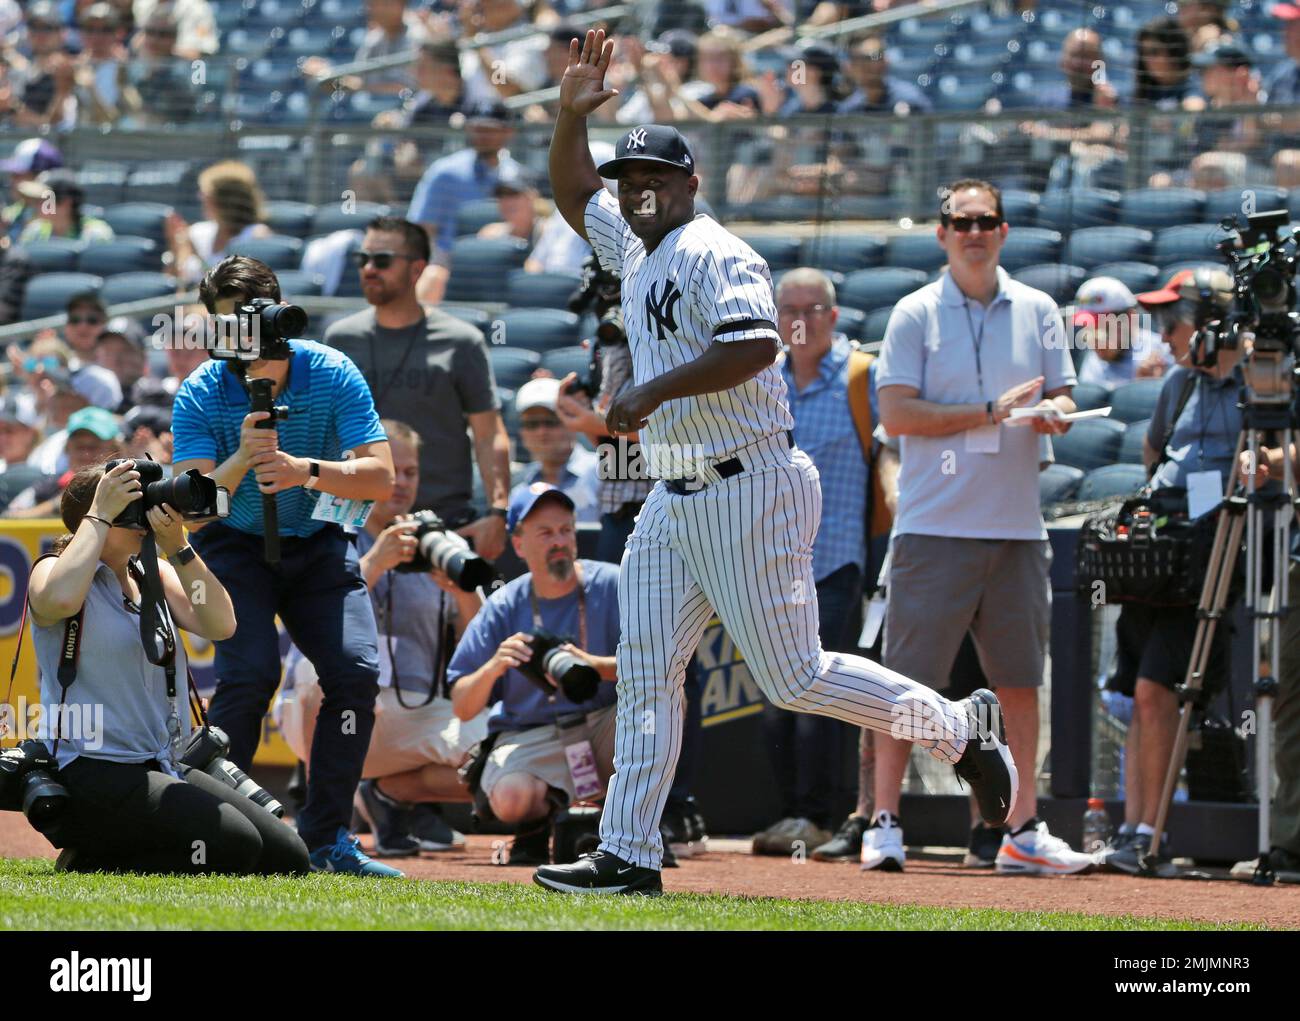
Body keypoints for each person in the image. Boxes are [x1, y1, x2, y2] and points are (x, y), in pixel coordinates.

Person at [533, 31, 1017, 895]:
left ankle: (958, 728)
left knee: (793, 677)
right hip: (675, 494)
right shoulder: (641, 244)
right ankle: (627, 853)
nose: (635, 191)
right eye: (628, 180)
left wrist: (652, 389)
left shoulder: (715, 249)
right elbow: (574, 194)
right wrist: (570, 113)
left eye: (653, 179)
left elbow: (755, 344)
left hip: (745, 480)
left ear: (691, 183)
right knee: (646, 665)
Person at [870, 178, 1095, 876]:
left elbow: (1062, 390)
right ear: (941, 233)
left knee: (1023, 683)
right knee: (907, 684)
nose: (973, 231)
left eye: (986, 220)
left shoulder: (1039, 308)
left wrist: (1055, 411)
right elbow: (898, 416)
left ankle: (1023, 830)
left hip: (1018, 530)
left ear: (1002, 231)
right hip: (933, 526)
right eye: (960, 221)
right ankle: (883, 820)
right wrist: (989, 412)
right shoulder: (913, 312)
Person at [169, 255, 403, 877]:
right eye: (218, 326)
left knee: (354, 674)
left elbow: (382, 477)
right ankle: (222, 833)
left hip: (321, 538)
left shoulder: (332, 370)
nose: (229, 342)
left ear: (275, 320)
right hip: (234, 545)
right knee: (248, 676)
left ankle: (326, 839)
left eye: (241, 324)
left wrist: (307, 470)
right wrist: (245, 456)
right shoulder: (199, 389)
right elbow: (195, 509)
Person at [23, 460, 307, 874]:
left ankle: (110, 848)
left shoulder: (152, 573)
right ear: (94, 514)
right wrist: (101, 512)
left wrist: (179, 546)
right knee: (235, 845)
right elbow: (60, 601)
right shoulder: (51, 569)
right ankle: (94, 855)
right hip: (88, 766)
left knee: (288, 855)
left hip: (162, 761)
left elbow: (221, 624)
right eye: (131, 507)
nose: (143, 517)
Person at [280, 419, 488, 856]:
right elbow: (310, 624)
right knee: (323, 678)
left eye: (411, 472)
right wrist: (374, 562)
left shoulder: (439, 541)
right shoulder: (324, 528)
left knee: (499, 755)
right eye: (394, 470)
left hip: (415, 712)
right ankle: (323, 823)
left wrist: (463, 594)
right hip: (330, 707)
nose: (402, 483)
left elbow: (477, 646)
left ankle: (391, 793)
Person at [750, 267, 898, 856]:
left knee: (819, 697)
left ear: (834, 318)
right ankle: (789, 814)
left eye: (813, 310)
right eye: (789, 309)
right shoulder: (762, 381)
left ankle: (818, 817)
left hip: (836, 564)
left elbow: (890, 458)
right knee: (771, 705)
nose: (800, 320)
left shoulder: (864, 378)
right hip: (767, 570)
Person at [1101, 268, 1241, 875]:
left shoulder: (1263, 382)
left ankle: (1147, 832)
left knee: (1161, 691)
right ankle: (1134, 831)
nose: (1164, 334)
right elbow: (1154, 451)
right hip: (1161, 556)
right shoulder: (1180, 383)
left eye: (1172, 321)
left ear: (1214, 323)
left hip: (1215, 558)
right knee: (1141, 692)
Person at [446, 483, 621, 865]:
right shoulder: (504, 603)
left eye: (566, 530)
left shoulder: (614, 583)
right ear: (520, 544)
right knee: (510, 797)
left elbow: (663, 666)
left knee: (661, 710)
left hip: (606, 724)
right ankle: (545, 822)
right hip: (536, 733)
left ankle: (642, 825)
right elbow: (461, 704)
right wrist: (495, 666)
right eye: (545, 533)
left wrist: (596, 666)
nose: (559, 541)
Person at [325, 216, 512, 560]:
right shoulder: (340, 338)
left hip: (442, 527)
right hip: (356, 526)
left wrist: (498, 514)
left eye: (381, 260)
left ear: (417, 270)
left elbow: (489, 434)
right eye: (362, 260)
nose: (368, 269)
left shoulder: (461, 342)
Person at [406, 100, 523, 303]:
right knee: (433, 278)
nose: (482, 135)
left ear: (508, 132)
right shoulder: (444, 172)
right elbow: (423, 231)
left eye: (490, 129)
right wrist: (445, 265)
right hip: (449, 268)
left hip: (502, 268)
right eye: (477, 128)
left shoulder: (517, 175)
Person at [165, 160, 273, 286]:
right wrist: (174, 248)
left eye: (207, 194)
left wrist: (198, 256)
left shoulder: (255, 236)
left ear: (226, 200)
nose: (201, 197)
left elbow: (234, 288)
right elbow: (173, 282)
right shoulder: (197, 232)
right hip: (187, 305)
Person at [510, 377, 599, 524]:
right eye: (532, 424)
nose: (541, 432)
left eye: (551, 422)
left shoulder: (603, 472)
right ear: (522, 433)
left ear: (572, 422)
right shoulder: (519, 489)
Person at [1071, 276, 1171, 390]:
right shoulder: (1093, 359)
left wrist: (1150, 388)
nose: (1095, 339)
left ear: (1130, 317)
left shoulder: (1166, 352)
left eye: (1105, 328)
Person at [15, 168, 115, 246]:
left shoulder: (95, 235)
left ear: (66, 203)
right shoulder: (34, 231)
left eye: (42, 200)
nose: (35, 205)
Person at [837, 36, 932, 115]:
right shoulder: (850, 109)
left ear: (886, 61)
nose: (865, 65)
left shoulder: (910, 100)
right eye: (857, 60)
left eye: (874, 57)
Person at [1131, 16, 1196, 108]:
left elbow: (1195, 107)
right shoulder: (1145, 93)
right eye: (1143, 53)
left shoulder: (1194, 85)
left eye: (1154, 51)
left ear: (1174, 52)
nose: (1148, 59)